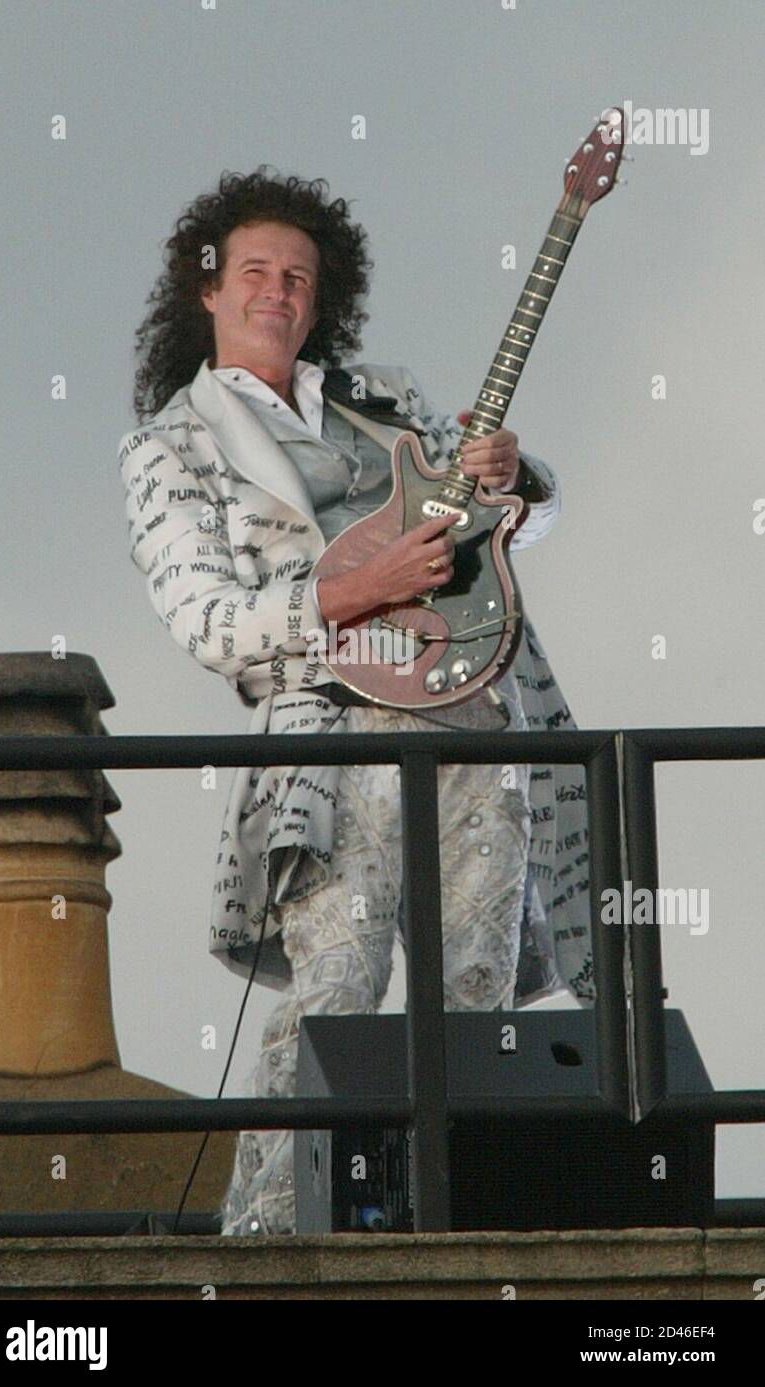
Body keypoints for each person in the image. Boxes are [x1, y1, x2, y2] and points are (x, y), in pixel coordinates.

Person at [118, 168, 593, 1236]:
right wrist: (347, 593)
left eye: (298, 274)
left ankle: (467, 1225)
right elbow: (205, 622)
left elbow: (491, 521)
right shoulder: (169, 448)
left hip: (473, 714)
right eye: (254, 271)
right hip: (328, 735)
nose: (278, 290)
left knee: (474, 991)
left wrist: (513, 478)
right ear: (206, 288)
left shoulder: (382, 397)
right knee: (333, 984)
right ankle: (266, 1239)